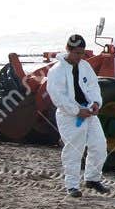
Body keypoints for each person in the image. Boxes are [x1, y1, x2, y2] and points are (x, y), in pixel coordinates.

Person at [46, 34, 110, 198]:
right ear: (68, 49)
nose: (79, 56)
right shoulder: (56, 71)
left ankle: (92, 179)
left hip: (88, 112)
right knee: (74, 150)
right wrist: (76, 110)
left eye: (82, 53)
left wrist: (96, 102)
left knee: (99, 145)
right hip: (69, 116)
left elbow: (93, 86)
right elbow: (57, 96)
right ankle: (72, 185)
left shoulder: (85, 66)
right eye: (76, 53)